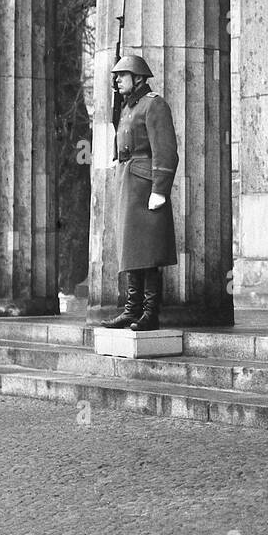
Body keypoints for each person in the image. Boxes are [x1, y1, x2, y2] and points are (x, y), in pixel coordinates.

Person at [99, 55, 179, 332]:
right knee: (132, 251)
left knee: (149, 253)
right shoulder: (127, 108)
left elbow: (166, 150)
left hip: (145, 186)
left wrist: (160, 188)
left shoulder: (153, 104)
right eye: (116, 76)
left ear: (139, 78)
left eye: (122, 75)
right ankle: (132, 310)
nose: (117, 80)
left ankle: (149, 312)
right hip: (128, 184)